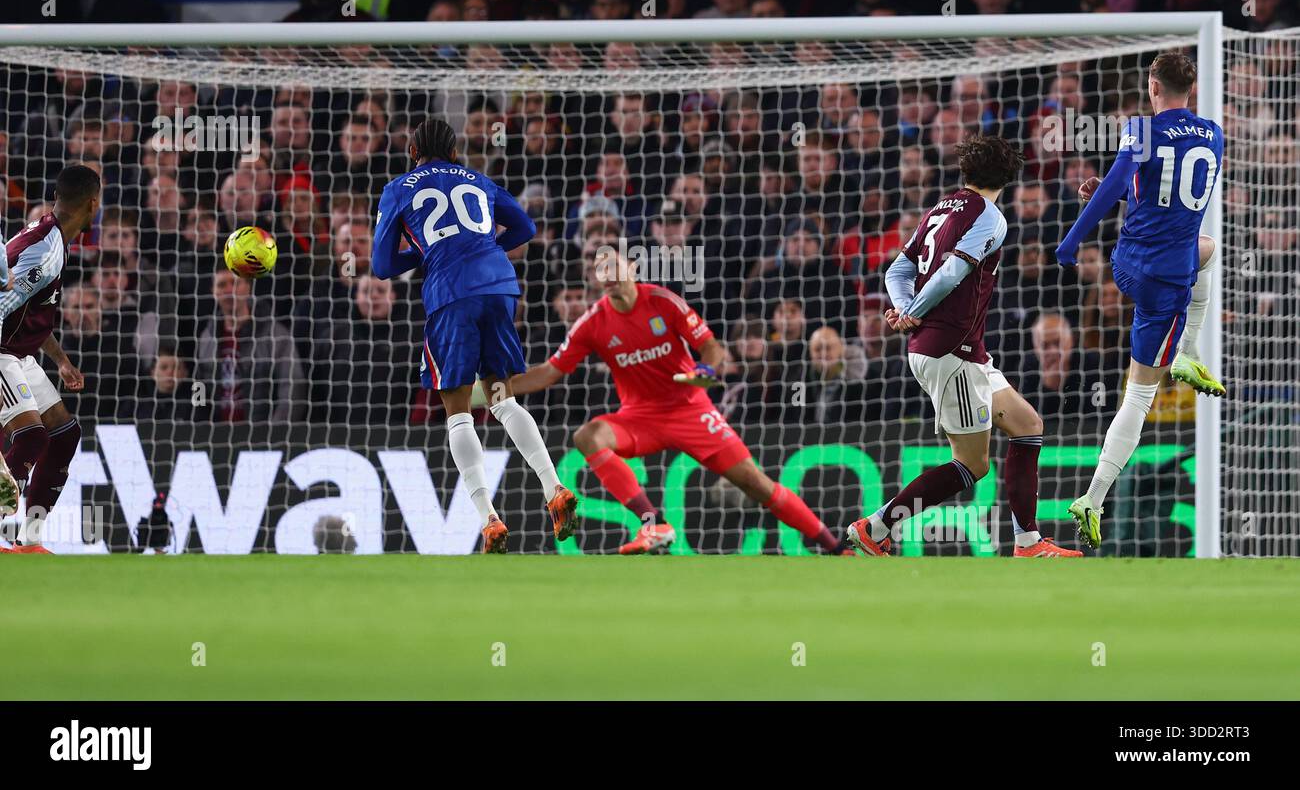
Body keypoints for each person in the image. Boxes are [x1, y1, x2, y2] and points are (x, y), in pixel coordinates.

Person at [511, 251, 852, 556]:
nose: (607, 273)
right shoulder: (592, 323)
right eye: (599, 270)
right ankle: (653, 523)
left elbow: (713, 348)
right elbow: (549, 372)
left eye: (612, 264)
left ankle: (835, 547)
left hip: (691, 409)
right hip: (640, 418)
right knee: (589, 436)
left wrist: (704, 370)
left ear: (632, 267)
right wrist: (498, 391)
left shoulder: (663, 301)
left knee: (755, 483)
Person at [846, 137, 1081, 558]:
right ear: (1009, 176)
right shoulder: (991, 218)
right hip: (950, 350)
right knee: (972, 465)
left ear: (965, 171)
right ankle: (876, 527)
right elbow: (952, 272)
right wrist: (911, 310)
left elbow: (897, 269)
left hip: (958, 348)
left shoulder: (941, 208)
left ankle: (1028, 543)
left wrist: (904, 308)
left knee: (1028, 426)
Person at [370, 118, 575, 552]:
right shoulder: (478, 180)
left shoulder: (398, 187)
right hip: (499, 286)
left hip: (451, 295)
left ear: (412, 151)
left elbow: (383, 266)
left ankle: (490, 520)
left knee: (457, 410)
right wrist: (479, 247)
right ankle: (554, 488)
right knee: (502, 397)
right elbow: (524, 228)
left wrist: (433, 251)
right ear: (456, 152)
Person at [1055, 52, 1224, 550]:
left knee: (1208, 251)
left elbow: (1118, 184)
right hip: (1172, 275)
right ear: (1189, 89)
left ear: (1153, 87)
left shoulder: (1141, 129)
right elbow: (1171, 195)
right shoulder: (1213, 133)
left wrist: (1074, 238)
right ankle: (1188, 352)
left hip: (1131, 266)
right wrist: (1126, 190)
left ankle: (1091, 497)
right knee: (1139, 395)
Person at [0, 164, 101, 552]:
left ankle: (30, 541)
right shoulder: (46, 251)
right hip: (3, 352)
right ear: (94, 204)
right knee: (30, 436)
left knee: (64, 434)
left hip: (21, 354)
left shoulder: (53, 236)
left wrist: (60, 359)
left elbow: (31, 308)